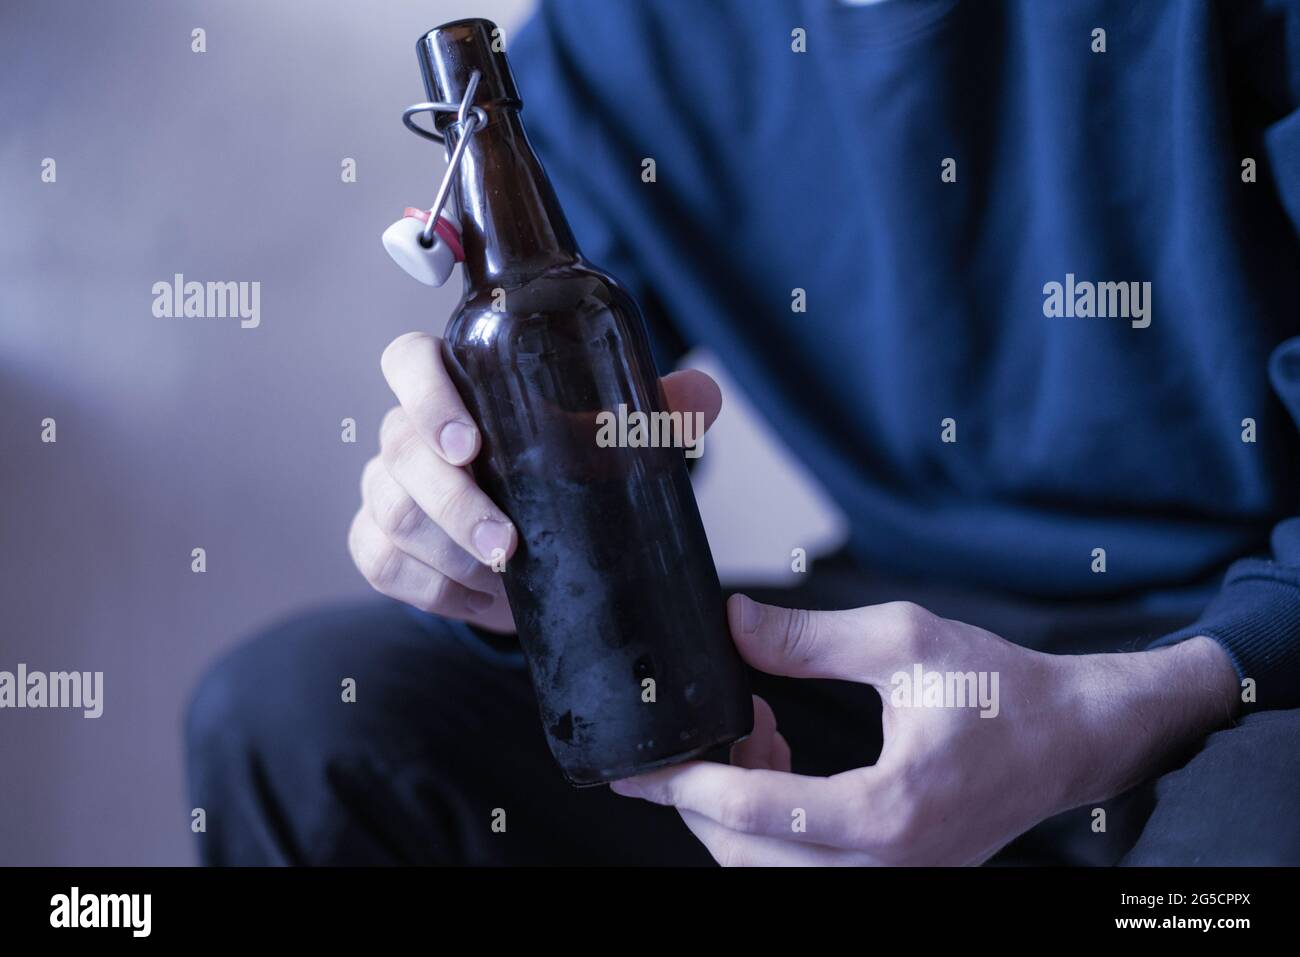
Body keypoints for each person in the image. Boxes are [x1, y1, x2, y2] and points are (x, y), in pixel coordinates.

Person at [185, 0, 1300, 865]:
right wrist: (469, 535)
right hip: (906, 632)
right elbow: (574, 436)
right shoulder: (621, 44)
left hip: (1249, 644)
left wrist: (1155, 696)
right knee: (303, 712)